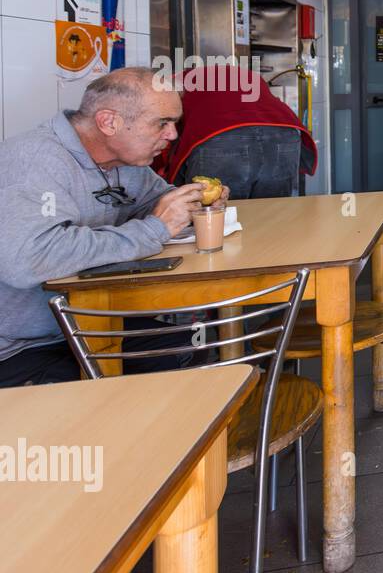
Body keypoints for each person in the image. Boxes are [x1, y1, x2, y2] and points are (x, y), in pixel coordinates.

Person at [0, 67, 225, 387]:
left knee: (196, 344)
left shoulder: (127, 163)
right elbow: (29, 258)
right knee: (114, 395)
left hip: (90, 321)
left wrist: (194, 204)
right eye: (162, 123)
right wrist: (154, 230)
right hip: (22, 346)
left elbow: (156, 203)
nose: (173, 135)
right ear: (108, 122)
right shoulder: (34, 160)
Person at [154, 63, 317, 199]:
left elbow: (167, 136)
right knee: (273, 216)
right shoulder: (230, 73)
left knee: (215, 216)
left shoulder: (163, 87)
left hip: (222, 134)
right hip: (283, 131)